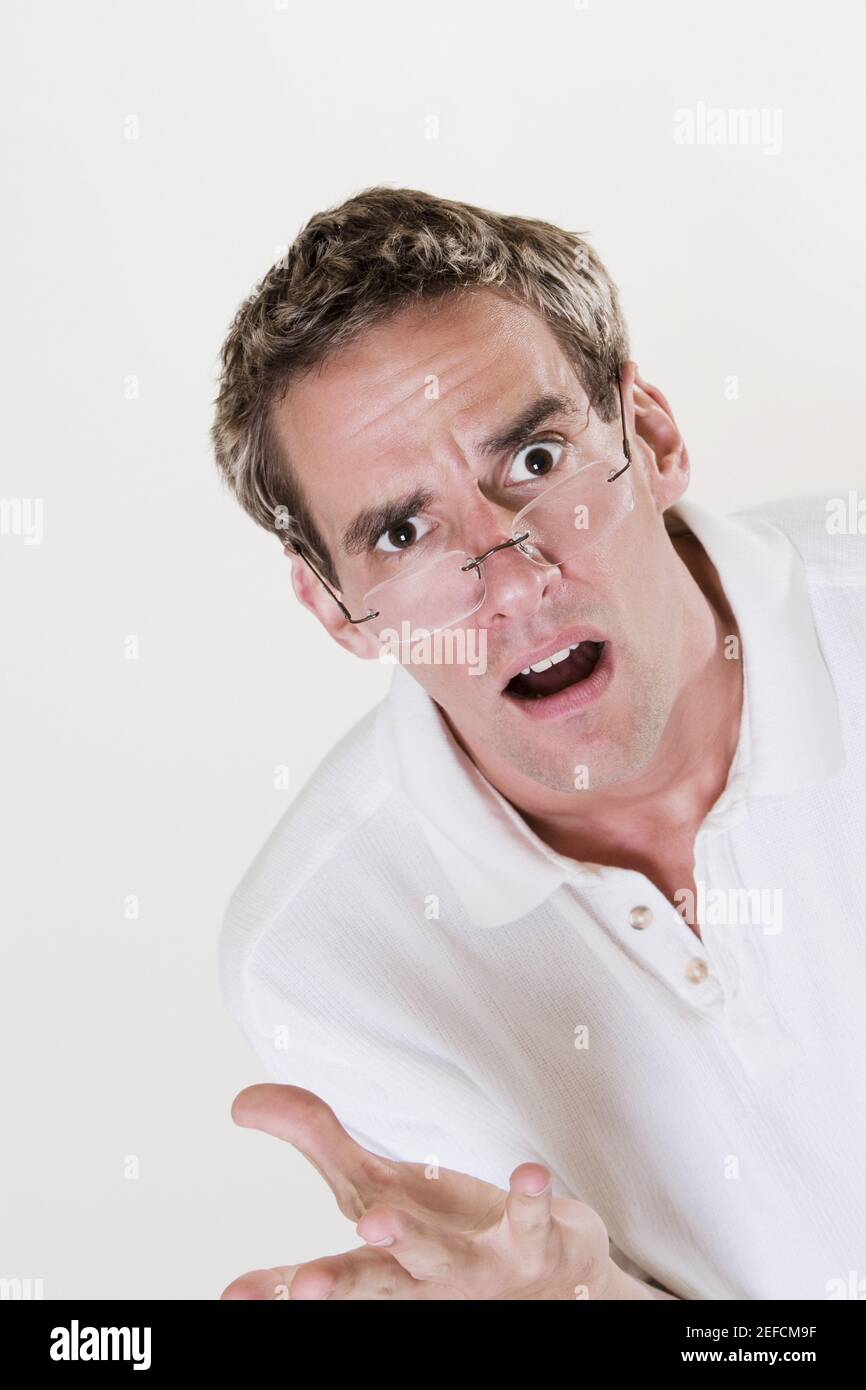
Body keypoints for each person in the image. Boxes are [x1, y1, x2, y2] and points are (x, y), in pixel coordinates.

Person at [211, 186, 866, 1300]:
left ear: (648, 437)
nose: (510, 574)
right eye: (404, 531)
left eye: (533, 460)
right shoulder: (323, 955)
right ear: (336, 608)